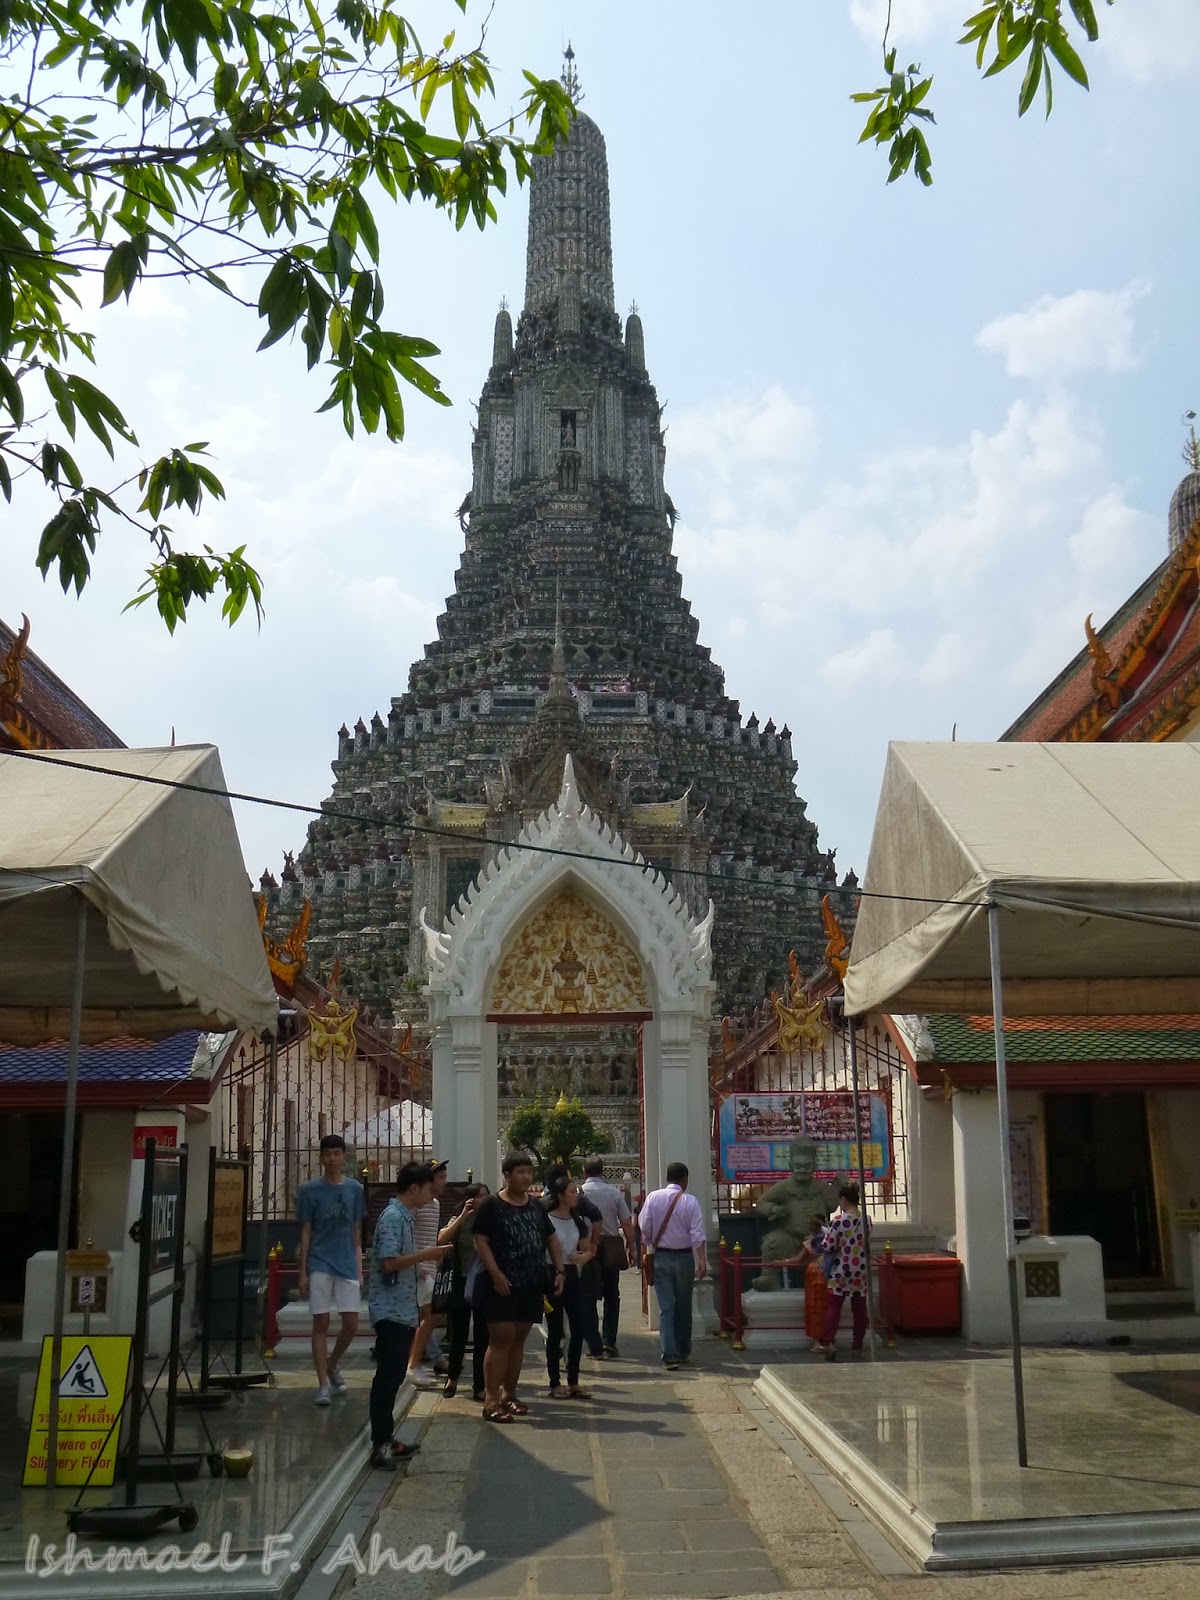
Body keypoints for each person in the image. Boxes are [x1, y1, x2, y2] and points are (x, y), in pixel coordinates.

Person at [472, 1151, 565, 1422]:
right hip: (501, 1284)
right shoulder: (491, 1204)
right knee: (501, 1338)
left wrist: (559, 1271)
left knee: (519, 1339)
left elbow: (552, 1240)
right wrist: (496, 1273)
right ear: (507, 1176)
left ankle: (509, 1394)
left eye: (529, 1171)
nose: (526, 1177)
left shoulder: (536, 1206)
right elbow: (480, 1239)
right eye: (520, 1172)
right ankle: (490, 1400)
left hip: (531, 1283)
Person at [366, 1162, 447, 1469]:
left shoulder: (404, 1217)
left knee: (393, 1377)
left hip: (401, 1307)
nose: (431, 1194)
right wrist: (426, 1255)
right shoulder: (392, 1217)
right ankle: (380, 1444)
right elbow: (388, 1262)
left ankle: (388, 1439)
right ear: (414, 1188)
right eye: (428, 1188)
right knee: (387, 1379)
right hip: (390, 1310)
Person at [296, 1133, 366, 1406]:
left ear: (343, 1157)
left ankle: (331, 1364)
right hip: (319, 1260)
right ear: (321, 1157)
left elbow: (357, 1228)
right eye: (327, 1154)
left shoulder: (355, 1189)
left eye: (337, 1154)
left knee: (351, 1323)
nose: (332, 1159)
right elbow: (305, 1230)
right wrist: (302, 1271)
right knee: (321, 1322)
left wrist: (359, 1265)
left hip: (347, 1260)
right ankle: (323, 1383)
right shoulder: (310, 1190)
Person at [638, 1161, 707, 1371]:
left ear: (667, 1178)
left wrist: (651, 1242)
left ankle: (669, 1354)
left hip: (661, 1257)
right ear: (684, 1179)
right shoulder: (690, 1201)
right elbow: (697, 1234)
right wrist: (702, 1259)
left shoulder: (653, 1198)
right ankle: (683, 1348)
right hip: (685, 1258)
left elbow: (644, 1226)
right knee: (684, 1304)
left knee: (666, 1308)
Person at [542, 1173, 598, 1399]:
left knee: (579, 1327)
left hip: (573, 1275)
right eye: (572, 1192)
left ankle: (573, 1380)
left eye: (577, 1191)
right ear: (560, 1196)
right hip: (552, 1275)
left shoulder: (577, 1220)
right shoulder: (546, 1219)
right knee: (555, 1331)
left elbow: (588, 1249)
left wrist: (584, 1257)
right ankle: (554, 1382)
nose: (576, 1195)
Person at [544, 1161, 604, 1359]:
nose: (576, 1195)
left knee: (574, 1320)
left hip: (569, 1269)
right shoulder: (543, 1211)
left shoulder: (574, 1217)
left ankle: (572, 1369)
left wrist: (589, 1252)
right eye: (572, 1190)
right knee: (556, 1321)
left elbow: (593, 1222)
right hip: (551, 1271)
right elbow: (596, 1216)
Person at [439, 1182, 490, 1400]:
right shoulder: (460, 1218)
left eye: (486, 1196)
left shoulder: (491, 1219)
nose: (484, 1200)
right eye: (480, 1196)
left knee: (482, 1336)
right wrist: (462, 1215)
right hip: (460, 1280)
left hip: (481, 1281)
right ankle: (453, 1377)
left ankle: (480, 1385)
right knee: (458, 1334)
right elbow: (441, 1239)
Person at [581, 1154, 635, 1357]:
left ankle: (593, 1341)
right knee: (612, 1294)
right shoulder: (614, 1193)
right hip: (611, 1246)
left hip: (587, 1248)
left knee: (588, 1296)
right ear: (602, 1171)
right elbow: (627, 1223)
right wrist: (632, 1247)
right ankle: (609, 1341)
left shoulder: (579, 1193)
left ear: (584, 1172)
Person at [407, 1158, 448, 1388]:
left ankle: (431, 1359)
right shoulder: (417, 1204)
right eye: (440, 1177)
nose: (444, 1182)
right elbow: (409, 1234)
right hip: (419, 1269)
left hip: (430, 1267)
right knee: (431, 1315)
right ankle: (413, 1365)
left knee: (428, 1318)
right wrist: (418, 1265)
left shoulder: (435, 1204)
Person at [821, 1182, 871, 1360]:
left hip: (841, 1268)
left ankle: (829, 1342)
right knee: (859, 1308)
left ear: (843, 1199)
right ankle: (857, 1345)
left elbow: (828, 1245)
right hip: (861, 1269)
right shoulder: (866, 1220)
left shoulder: (838, 1222)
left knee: (834, 1306)